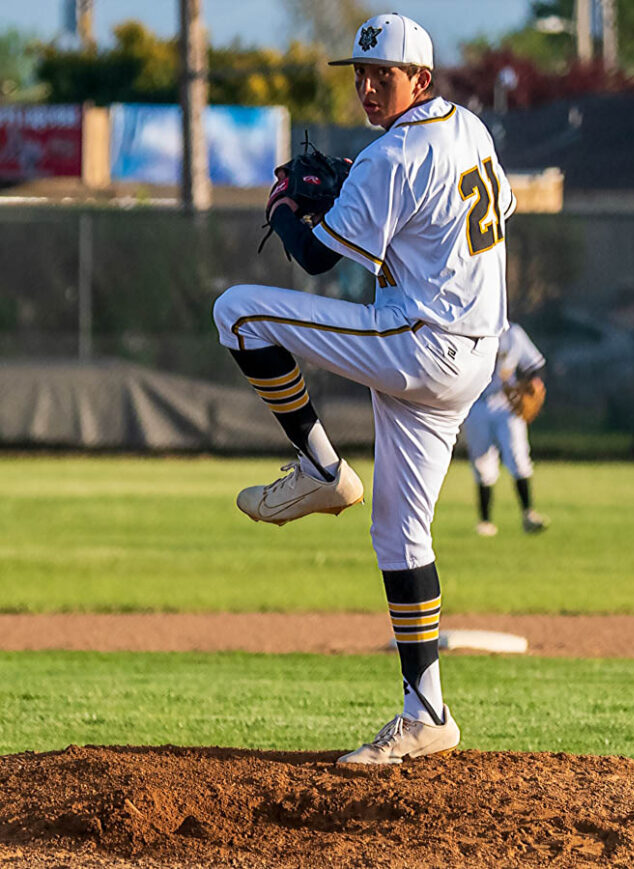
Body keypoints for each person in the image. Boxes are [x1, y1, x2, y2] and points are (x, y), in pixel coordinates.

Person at [213, 12, 515, 764]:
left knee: (240, 312)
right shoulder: (470, 129)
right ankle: (427, 712)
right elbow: (489, 209)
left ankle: (320, 466)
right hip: (470, 356)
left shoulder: (395, 155)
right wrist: (356, 183)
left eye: (385, 75)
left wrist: (286, 210)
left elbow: (315, 258)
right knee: (400, 533)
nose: (370, 87)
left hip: (422, 341)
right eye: (362, 74)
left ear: (421, 78)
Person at [462, 323, 550, 537]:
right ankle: (485, 521)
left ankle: (529, 514)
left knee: (518, 457)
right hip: (475, 403)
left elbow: (535, 364)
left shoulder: (513, 334)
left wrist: (534, 383)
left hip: (506, 404)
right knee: (481, 462)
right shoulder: (466, 327)